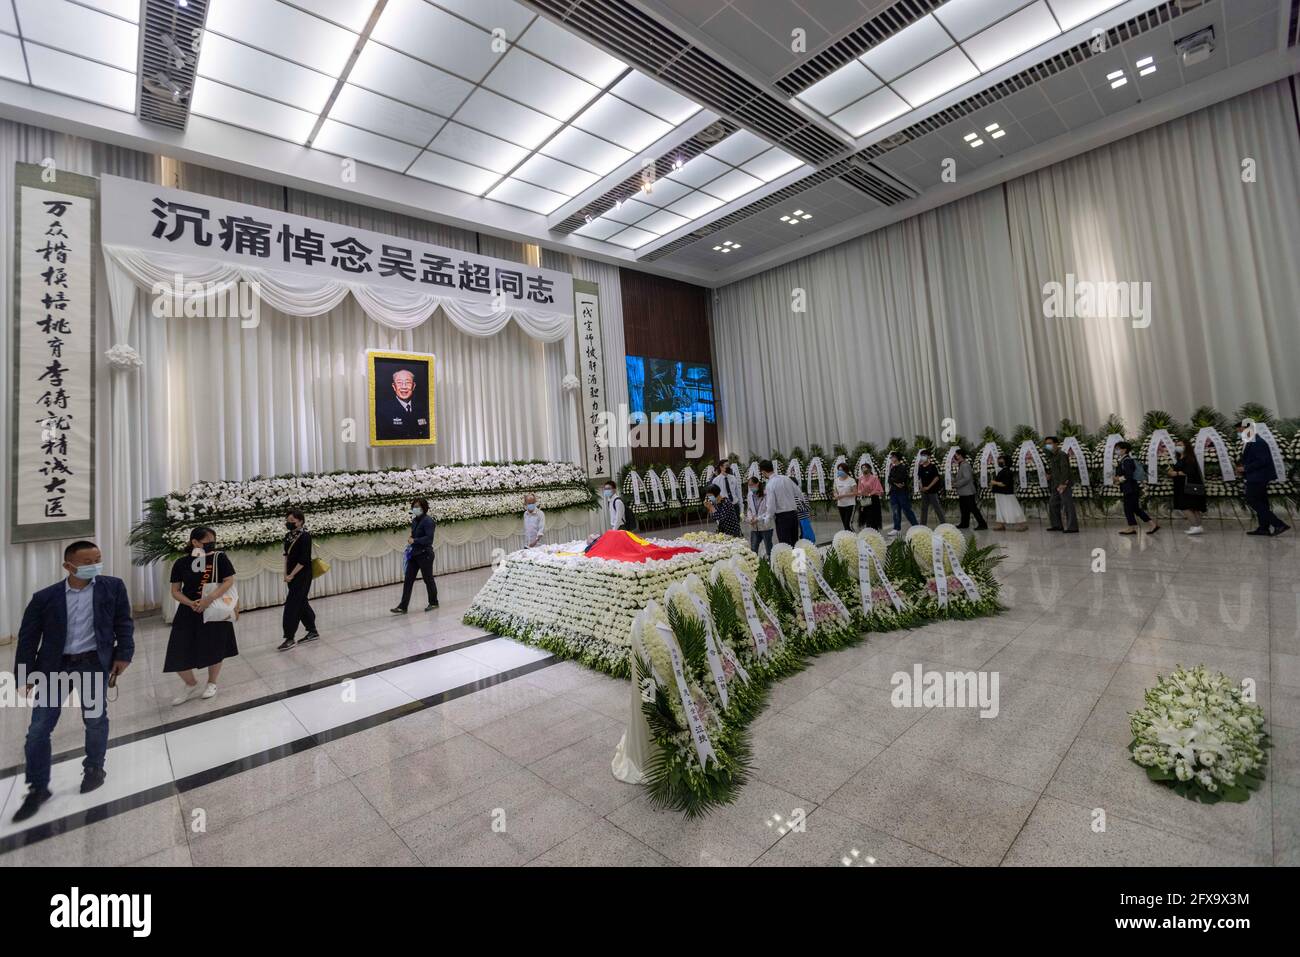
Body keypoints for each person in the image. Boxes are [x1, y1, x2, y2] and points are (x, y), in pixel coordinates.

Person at [13, 541, 134, 822]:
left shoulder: (112, 587)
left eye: (98, 558)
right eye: (88, 560)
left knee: (94, 719)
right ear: (69, 566)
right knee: (39, 728)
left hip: (93, 663)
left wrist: (124, 654)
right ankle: (37, 787)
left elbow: (123, 624)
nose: (95, 564)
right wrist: (24, 674)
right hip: (55, 667)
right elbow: (28, 638)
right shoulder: (45, 598)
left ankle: (94, 768)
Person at [165, 526, 239, 704]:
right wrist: (190, 603)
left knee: (215, 646)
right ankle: (190, 684)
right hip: (188, 610)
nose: (211, 545)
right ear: (195, 542)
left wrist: (208, 599)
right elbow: (175, 591)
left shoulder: (219, 558)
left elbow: (229, 581)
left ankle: (212, 682)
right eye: (207, 542)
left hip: (214, 607)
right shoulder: (181, 563)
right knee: (178, 649)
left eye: (213, 542)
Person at [1235, 421, 1290, 536]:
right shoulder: (1252, 441)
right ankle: (1264, 528)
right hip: (1256, 476)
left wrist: (1245, 468)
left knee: (1252, 500)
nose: (1238, 433)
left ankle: (1279, 524)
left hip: (1258, 477)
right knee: (1261, 502)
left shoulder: (1257, 442)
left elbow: (1262, 461)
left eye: (1240, 430)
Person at [278, 510, 318, 651]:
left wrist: (292, 575)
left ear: (300, 521)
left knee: (292, 605)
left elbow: (303, 560)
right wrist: (285, 574)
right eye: (288, 520)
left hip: (302, 574)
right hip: (291, 575)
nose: (289, 523)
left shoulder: (305, 536)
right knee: (301, 602)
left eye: (292, 520)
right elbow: (286, 556)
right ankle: (312, 630)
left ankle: (289, 637)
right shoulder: (288, 536)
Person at [392, 498, 439, 612]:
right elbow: (414, 535)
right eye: (414, 506)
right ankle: (403, 606)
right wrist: (411, 539)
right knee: (408, 579)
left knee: (428, 579)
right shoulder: (414, 521)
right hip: (414, 554)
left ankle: (433, 602)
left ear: (424, 508)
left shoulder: (428, 521)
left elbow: (429, 539)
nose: (415, 509)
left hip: (425, 554)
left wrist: (415, 540)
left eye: (418, 506)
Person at [375, 367, 431, 441]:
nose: (404, 387)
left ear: (413, 386)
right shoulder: (383, 411)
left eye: (408, 382)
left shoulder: (423, 408)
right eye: (399, 383)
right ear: (394, 386)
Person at [1115, 442, 1159, 535]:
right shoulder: (1124, 460)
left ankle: (1132, 527)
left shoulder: (1127, 461)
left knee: (1128, 508)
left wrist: (1118, 479)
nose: (1116, 451)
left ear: (1125, 450)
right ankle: (1151, 524)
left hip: (1130, 488)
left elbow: (1129, 475)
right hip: (1131, 488)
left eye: (1118, 448)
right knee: (1135, 508)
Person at [1168, 438, 1207, 536]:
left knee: (1186, 506)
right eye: (1177, 445)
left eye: (1180, 445)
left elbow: (1188, 472)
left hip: (1187, 487)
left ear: (1186, 447)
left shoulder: (1189, 458)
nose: (1178, 447)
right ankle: (1198, 526)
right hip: (1182, 486)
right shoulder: (1180, 458)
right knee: (1193, 507)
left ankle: (1195, 526)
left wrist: (1175, 473)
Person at [758, 459, 800, 546]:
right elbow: (798, 493)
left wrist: (767, 519)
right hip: (794, 515)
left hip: (782, 518)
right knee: (795, 543)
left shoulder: (770, 484)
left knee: (786, 545)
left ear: (763, 472)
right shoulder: (786, 478)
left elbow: (771, 506)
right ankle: (798, 560)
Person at [1044, 436, 1080, 533]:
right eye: (1046, 444)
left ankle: (1072, 527)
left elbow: (1065, 470)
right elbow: (1056, 470)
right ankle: (1057, 525)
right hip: (1055, 484)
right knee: (1052, 504)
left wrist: (1063, 483)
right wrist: (1050, 475)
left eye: (1050, 443)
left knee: (1068, 504)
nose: (1048, 445)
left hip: (1063, 484)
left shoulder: (1061, 454)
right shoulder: (1052, 456)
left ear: (1056, 444)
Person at [952, 448, 988, 531]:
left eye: (956, 455)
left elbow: (967, 478)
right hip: (963, 492)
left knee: (973, 509)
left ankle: (982, 524)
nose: (955, 456)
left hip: (967, 491)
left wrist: (956, 484)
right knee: (964, 509)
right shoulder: (962, 464)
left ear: (960, 455)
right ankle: (964, 523)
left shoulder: (965, 465)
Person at [990, 454, 1027, 531]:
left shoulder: (1007, 471)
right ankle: (1001, 525)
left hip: (1006, 494)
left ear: (1005, 461)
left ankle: (1022, 525)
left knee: (1013, 508)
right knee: (1000, 509)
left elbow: (1004, 484)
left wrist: (994, 482)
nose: (998, 461)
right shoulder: (1003, 470)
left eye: (1000, 460)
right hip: (1000, 493)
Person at [887, 451, 919, 536]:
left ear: (897, 458)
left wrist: (894, 481)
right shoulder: (892, 468)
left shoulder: (903, 467)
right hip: (893, 492)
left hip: (902, 492)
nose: (891, 459)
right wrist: (895, 482)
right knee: (895, 511)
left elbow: (901, 478)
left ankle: (916, 526)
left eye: (892, 457)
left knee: (907, 510)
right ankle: (896, 528)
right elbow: (889, 479)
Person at [916, 449, 946, 525]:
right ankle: (923, 525)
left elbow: (936, 478)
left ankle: (944, 524)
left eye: (925, 455)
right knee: (924, 509)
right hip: (924, 491)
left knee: (937, 508)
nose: (923, 457)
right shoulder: (921, 467)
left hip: (932, 491)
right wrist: (921, 487)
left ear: (929, 457)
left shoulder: (932, 467)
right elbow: (919, 478)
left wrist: (928, 487)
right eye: (922, 455)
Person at [746, 477, 773, 556]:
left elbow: (769, 510)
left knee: (769, 549)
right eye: (749, 485)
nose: (751, 487)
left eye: (752, 485)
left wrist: (758, 519)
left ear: (757, 483)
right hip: (754, 527)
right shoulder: (750, 495)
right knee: (753, 549)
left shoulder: (766, 494)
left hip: (766, 526)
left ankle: (770, 564)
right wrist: (750, 518)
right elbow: (749, 509)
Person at [855, 463, 884, 530]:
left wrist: (870, 494)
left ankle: (874, 531)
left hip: (873, 499)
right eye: (862, 468)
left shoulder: (874, 478)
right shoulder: (861, 478)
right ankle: (868, 532)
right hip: (864, 499)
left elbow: (878, 489)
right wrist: (861, 493)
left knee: (873, 517)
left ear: (869, 469)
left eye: (865, 467)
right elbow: (859, 489)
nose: (863, 469)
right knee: (865, 516)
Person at [833, 462, 857, 530]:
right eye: (839, 470)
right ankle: (847, 538)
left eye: (841, 470)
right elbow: (834, 490)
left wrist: (843, 495)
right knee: (844, 524)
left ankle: (853, 537)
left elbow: (855, 492)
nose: (840, 472)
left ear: (846, 470)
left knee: (848, 524)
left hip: (850, 504)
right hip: (841, 505)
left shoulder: (851, 480)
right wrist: (836, 495)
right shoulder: (836, 480)